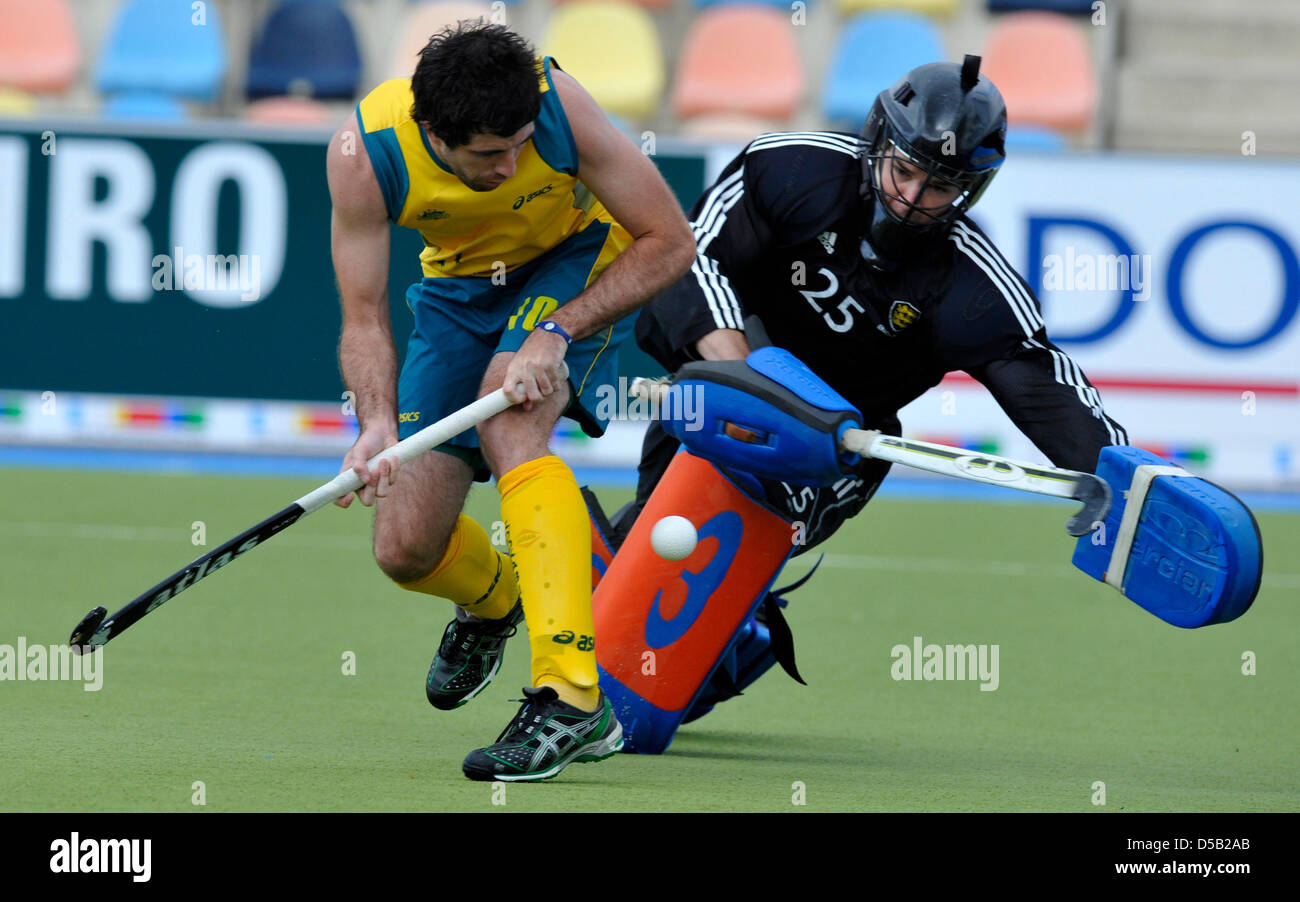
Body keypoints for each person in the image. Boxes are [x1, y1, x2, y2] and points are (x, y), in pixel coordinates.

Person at [619, 56, 1128, 715]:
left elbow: (1048, 390)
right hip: (725, 387)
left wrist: (1117, 477)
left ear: (971, 191)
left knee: (703, 581)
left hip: (839, 450)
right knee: (641, 550)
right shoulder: (792, 168)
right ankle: (713, 620)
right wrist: (751, 388)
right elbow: (690, 255)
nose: (911, 199)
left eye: (939, 187)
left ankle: (737, 622)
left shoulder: (971, 290)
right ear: (877, 142)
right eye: (905, 170)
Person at [326, 22, 695, 781]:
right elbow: (363, 319)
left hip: (575, 267)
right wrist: (375, 425)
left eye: (522, 143)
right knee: (405, 548)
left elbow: (669, 239)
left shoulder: (560, 105)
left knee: (509, 409)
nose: (514, 163)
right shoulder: (364, 155)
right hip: (459, 296)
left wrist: (556, 330)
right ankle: (496, 601)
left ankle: (570, 699)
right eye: (489, 154)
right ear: (434, 131)